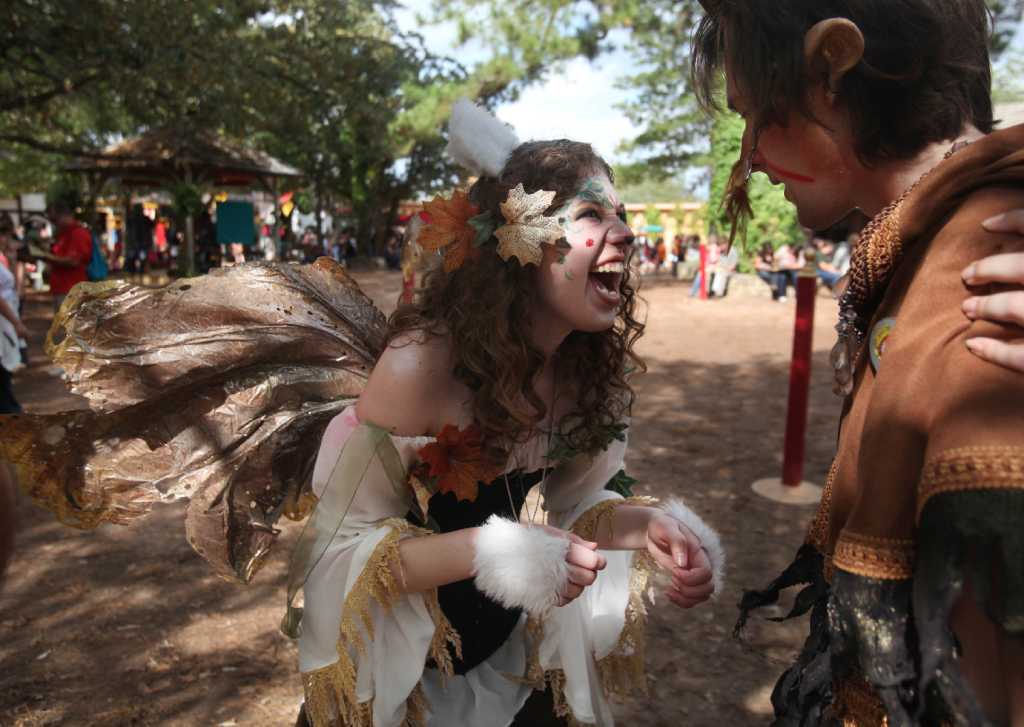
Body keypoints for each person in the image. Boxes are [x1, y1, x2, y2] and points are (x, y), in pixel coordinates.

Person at [0, 101, 725, 727]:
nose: (624, 234)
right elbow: (340, 554)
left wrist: (653, 526)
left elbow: (586, 500)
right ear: (518, 240)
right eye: (593, 215)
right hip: (401, 672)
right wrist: (496, 552)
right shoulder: (420, 370)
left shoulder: (586, 372)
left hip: (507, 665)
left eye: (622, 215)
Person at [694, 1, 1024, 724]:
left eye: (756, 115)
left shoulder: (983, 276)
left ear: (831, 67)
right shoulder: (934, 245)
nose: (747, 155)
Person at [44, 202, 92, 313]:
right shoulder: (63, 234)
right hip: (61, 289)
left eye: (54, 220)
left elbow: (74, 261)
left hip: (71, 291)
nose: (53, 224)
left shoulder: (78, 233)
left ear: (65, 215)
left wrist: (47, 257)